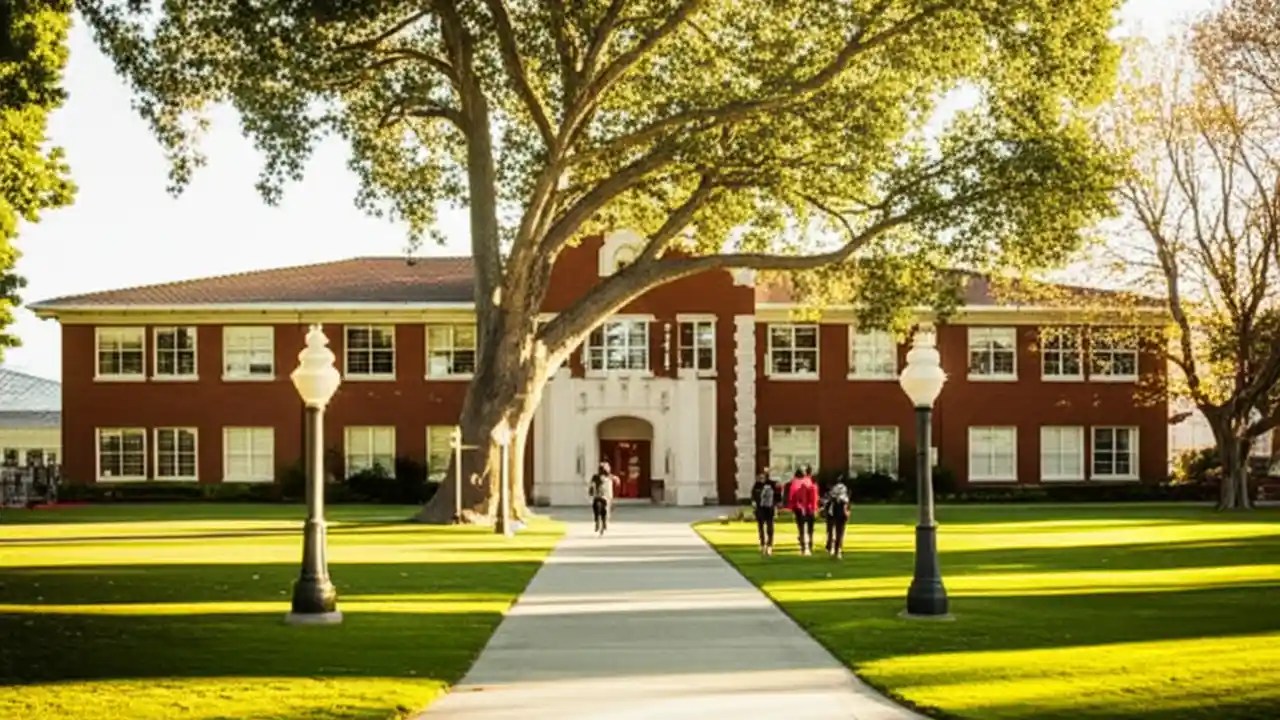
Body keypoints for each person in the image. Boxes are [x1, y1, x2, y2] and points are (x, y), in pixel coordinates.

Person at [786, 467, 819, 555]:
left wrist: (791, 507)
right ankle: (810, 545)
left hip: (799, 508)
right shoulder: (809, 481)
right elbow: (814, 495)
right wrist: (815, 508)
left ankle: (803, 547)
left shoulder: (794, 483)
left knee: (801, 528)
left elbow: (791, 497)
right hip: (810, 508)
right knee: (810, 529)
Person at [750, 471, 782, 556]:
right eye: (759, 478)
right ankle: (762, 543)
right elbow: (753, 496)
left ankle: (769, 545)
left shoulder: (771, 484)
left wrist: (777, 504)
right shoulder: (756, 486)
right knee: (761, 528)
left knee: (770, 528)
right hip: (760, 509)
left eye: (762, 477)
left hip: (769, 509)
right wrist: (753, 503)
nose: (761, 479)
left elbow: (777, 494)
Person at [823, 476, 851, 558]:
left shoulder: (832, 493)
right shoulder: (845, 494)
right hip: (841, 513)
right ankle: (838, 549)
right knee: (840, 532)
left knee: (830, 530)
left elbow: (827, 501)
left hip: (833, 511)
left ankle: (830, 546)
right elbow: (847, 505)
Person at [588, 461, 617, 536]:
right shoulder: (608, 476)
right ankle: (603, 523)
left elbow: (591, 485)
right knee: (604, 511)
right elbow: (616, 479)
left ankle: (599, 522)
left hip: (600, 496)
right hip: (604, 497)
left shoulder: (596, 476)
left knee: (596, 509)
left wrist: (590, 492)